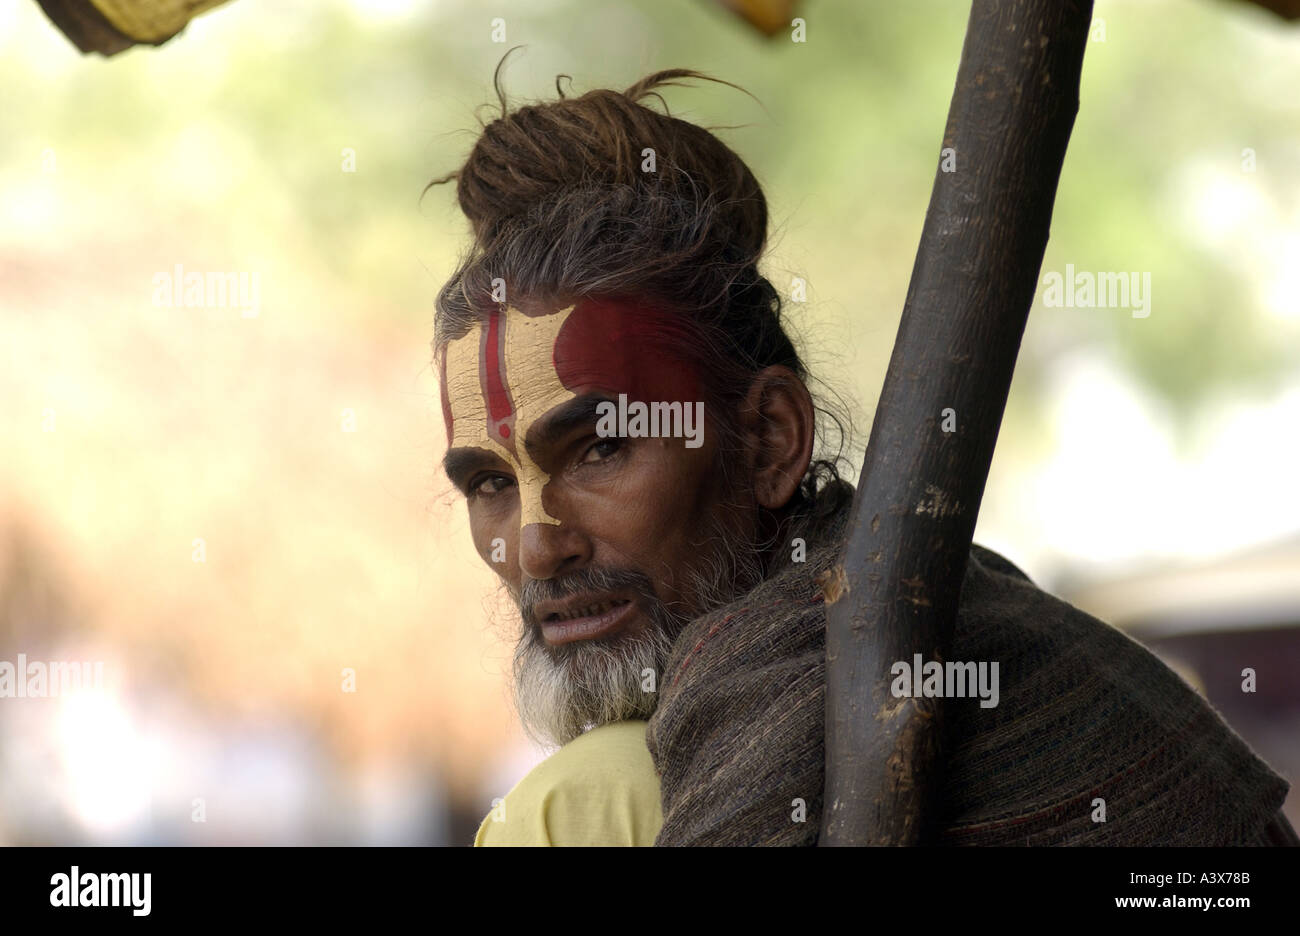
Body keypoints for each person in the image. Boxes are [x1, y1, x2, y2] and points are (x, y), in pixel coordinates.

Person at [431, 62, 1296, 847]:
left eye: (600, 449)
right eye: (492, 484)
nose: (537, 546)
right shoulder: (875, 632)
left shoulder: (852, 671)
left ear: (770, 441)